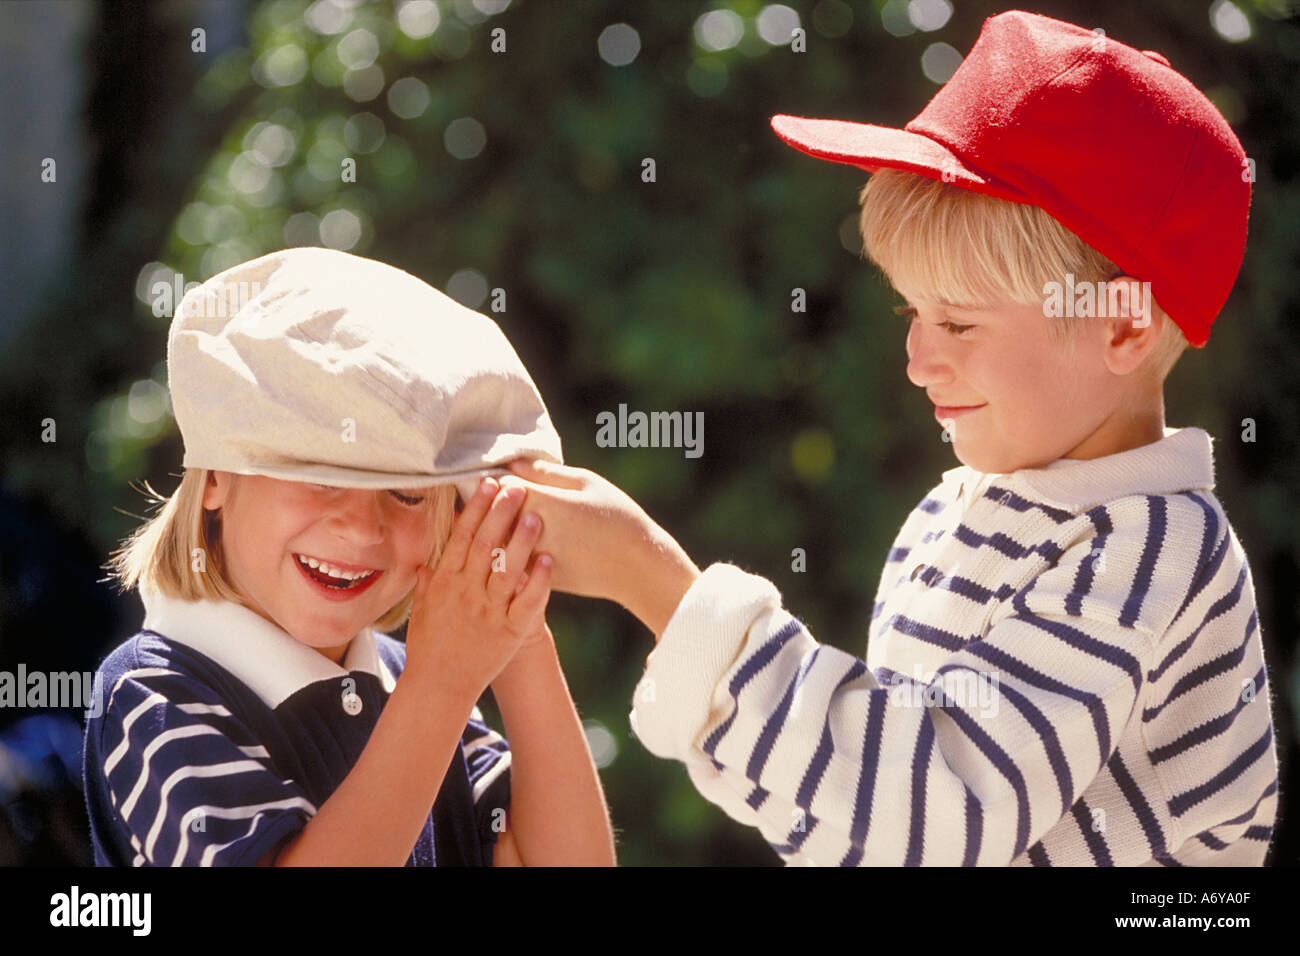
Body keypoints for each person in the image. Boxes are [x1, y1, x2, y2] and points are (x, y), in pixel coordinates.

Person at [505, 11, 1279, 866]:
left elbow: (950, 806)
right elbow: (862, 818)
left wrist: (659, 588)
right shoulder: (955, 514)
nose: (916, 360)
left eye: (958, 322)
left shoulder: (1147, 544)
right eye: (912, 311)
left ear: (1124, 328)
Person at [83, 247, 615, 866]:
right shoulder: (153, 694)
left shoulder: (408, 678)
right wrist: (439, 686)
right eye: (321, 476)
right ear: (216, 478)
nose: (363, 528)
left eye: (408, 492)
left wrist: (516, 635)